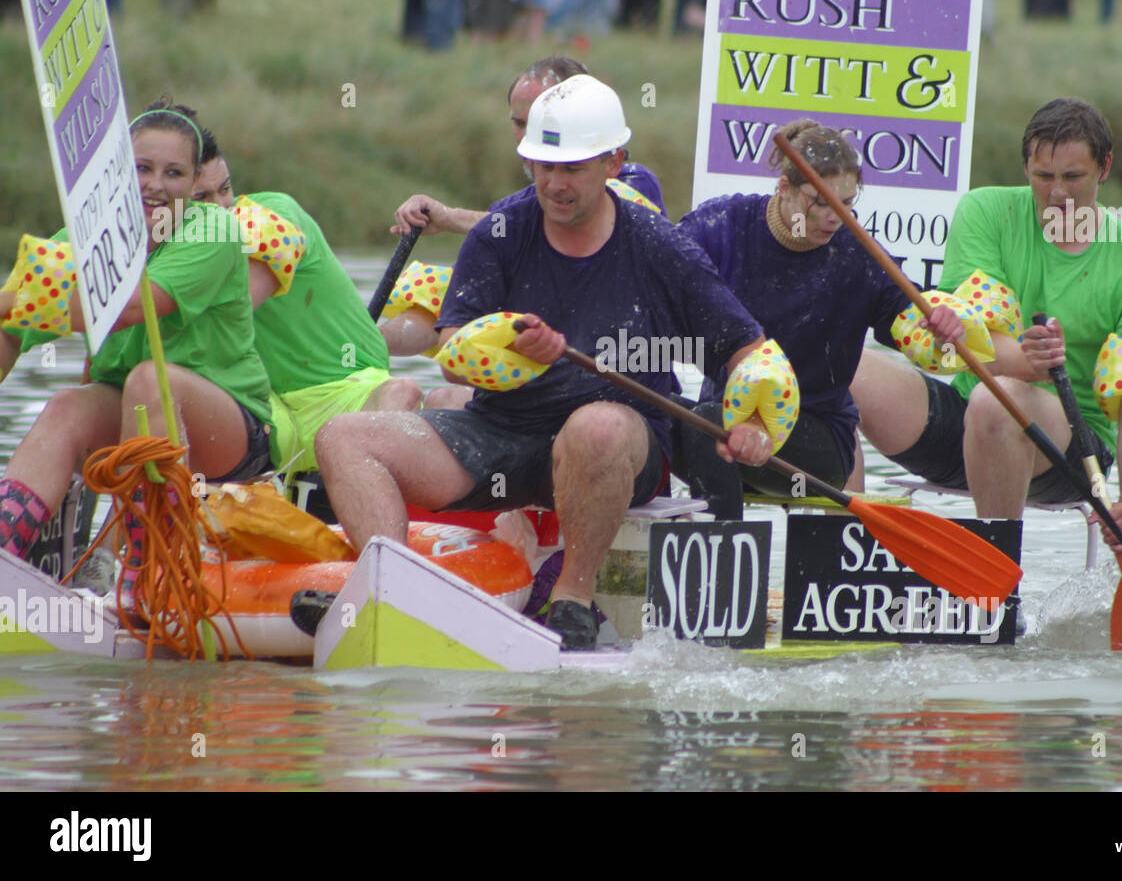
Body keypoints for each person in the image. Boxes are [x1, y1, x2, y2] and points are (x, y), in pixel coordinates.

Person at [314, 75, 778, 649]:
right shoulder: (500, 231)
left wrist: (755, 425)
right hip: (503, 430)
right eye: (542, 166)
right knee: (344, 436)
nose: (554, 184)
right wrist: (513, 355)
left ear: (614, 162)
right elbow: (456, 358)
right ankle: (395, 591)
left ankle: (572, 602)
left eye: (573, 168)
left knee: (597, 425)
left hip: (616, 446)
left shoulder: (658, 243)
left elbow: (745, 345)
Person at [852, 98, 1122, 550]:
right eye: (1044, 177)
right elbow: (970, 341)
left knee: (996, 398)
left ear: (1104, 169)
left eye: (1072, 177)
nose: (1058, 193)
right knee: (844, 368)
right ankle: (835, 561)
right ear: (1025, 167)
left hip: (1072, 454)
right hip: (968, 421)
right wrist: (1032, 362)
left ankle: (996, 584)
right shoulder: (986, 212)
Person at [0, 101, 273, 568]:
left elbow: (127, 309)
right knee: (68, 404)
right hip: (133, 418)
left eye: (174, 173)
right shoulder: (82, 235)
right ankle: (6, 545)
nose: (155, 185)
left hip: (230, 434)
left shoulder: (211, 229)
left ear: (193, 183)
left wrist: (13, 300)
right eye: (141, 168)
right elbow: (10, 327)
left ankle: (148, 567)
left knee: (148, 381)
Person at [675, 121, 964, 518]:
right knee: (650, 412)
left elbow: (917, 328)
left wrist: (943, 329)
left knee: (707, 424)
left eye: (847, 204)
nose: (836, 218)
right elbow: (658, 287)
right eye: (821, 202)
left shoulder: (858, 255)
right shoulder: (720, 227)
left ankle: (725, 567)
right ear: (784, 188)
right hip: (726, 424)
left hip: (819, 441)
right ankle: (712, 562)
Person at [384, 55, 666, 361]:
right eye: (520, 123)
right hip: (535, 379)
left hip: (616, 362)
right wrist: (353, 345)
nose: (527, 138)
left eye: (539, 122)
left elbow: (555, 224)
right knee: (443, 291)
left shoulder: (635, 182)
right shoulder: (509, 210)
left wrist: (451, 218)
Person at [188, 132, 422, 479]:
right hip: (270, 409)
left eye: (225, 189)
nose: (224, 207)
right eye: (203, 198)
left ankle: (387, 509)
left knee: (403, 391)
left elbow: (232, 311)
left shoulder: (274, 212)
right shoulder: (173, 239)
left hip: (348, 392)